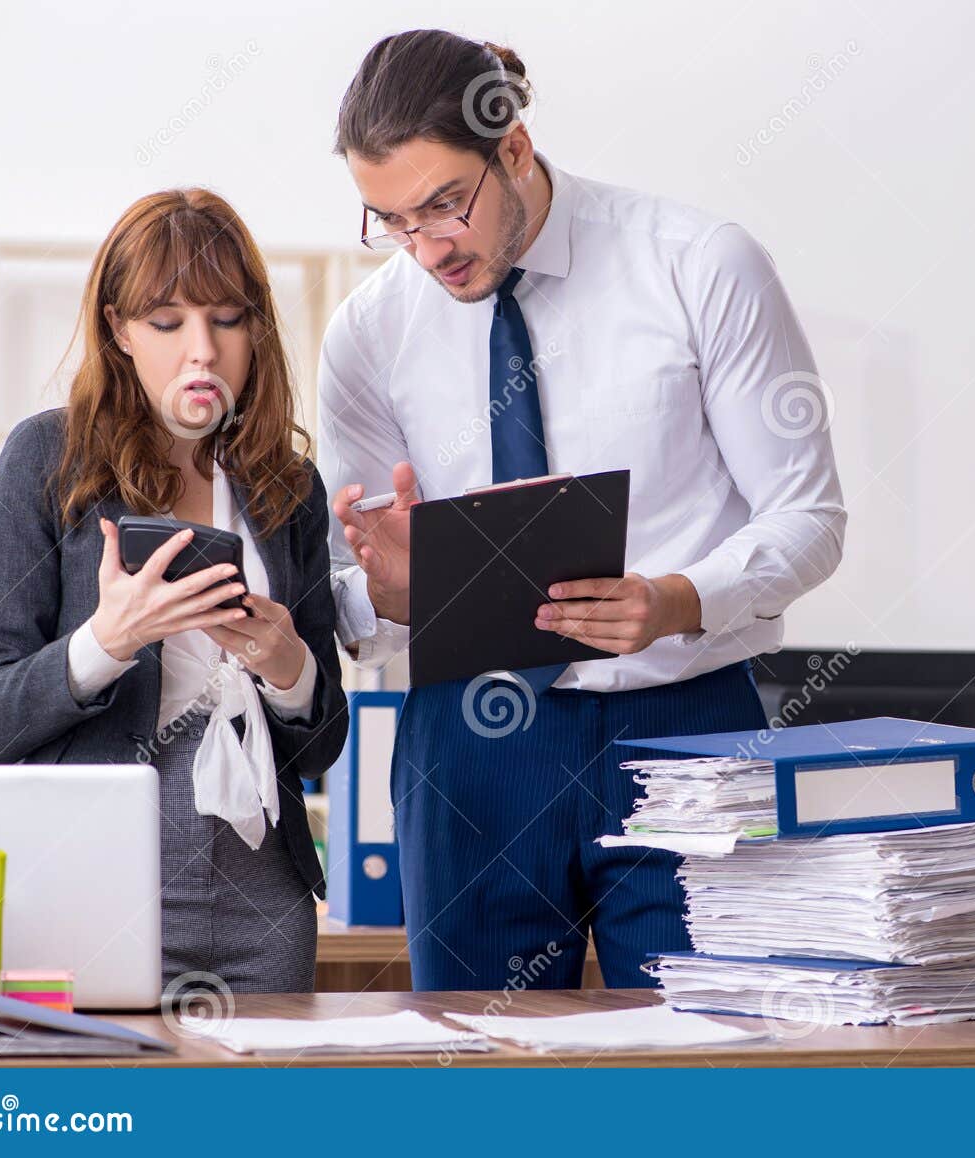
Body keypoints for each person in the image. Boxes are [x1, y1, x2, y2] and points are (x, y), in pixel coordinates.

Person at [318, 30, 847, 991]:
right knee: (474, 1055)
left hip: (686, 726)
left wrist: (677, 599)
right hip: (469, 739)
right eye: (391, 220)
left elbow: (809, 516)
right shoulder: (369, 333)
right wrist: (390, 595)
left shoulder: (700, 265)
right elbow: (351, 593)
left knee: (709, 1051)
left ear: (514, 148)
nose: (427, 249)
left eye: (444, 206)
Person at [0, 188, 349, 993]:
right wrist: (107, 643)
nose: (202, 351)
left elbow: (321, 748)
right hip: (96, 893)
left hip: (266, 908)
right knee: (112, 1081)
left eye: (227, 319)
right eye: (167, 323)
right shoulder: (46, 459)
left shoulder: (287, 486)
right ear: (119, 329)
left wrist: (290, 669)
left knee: (266, 1084)